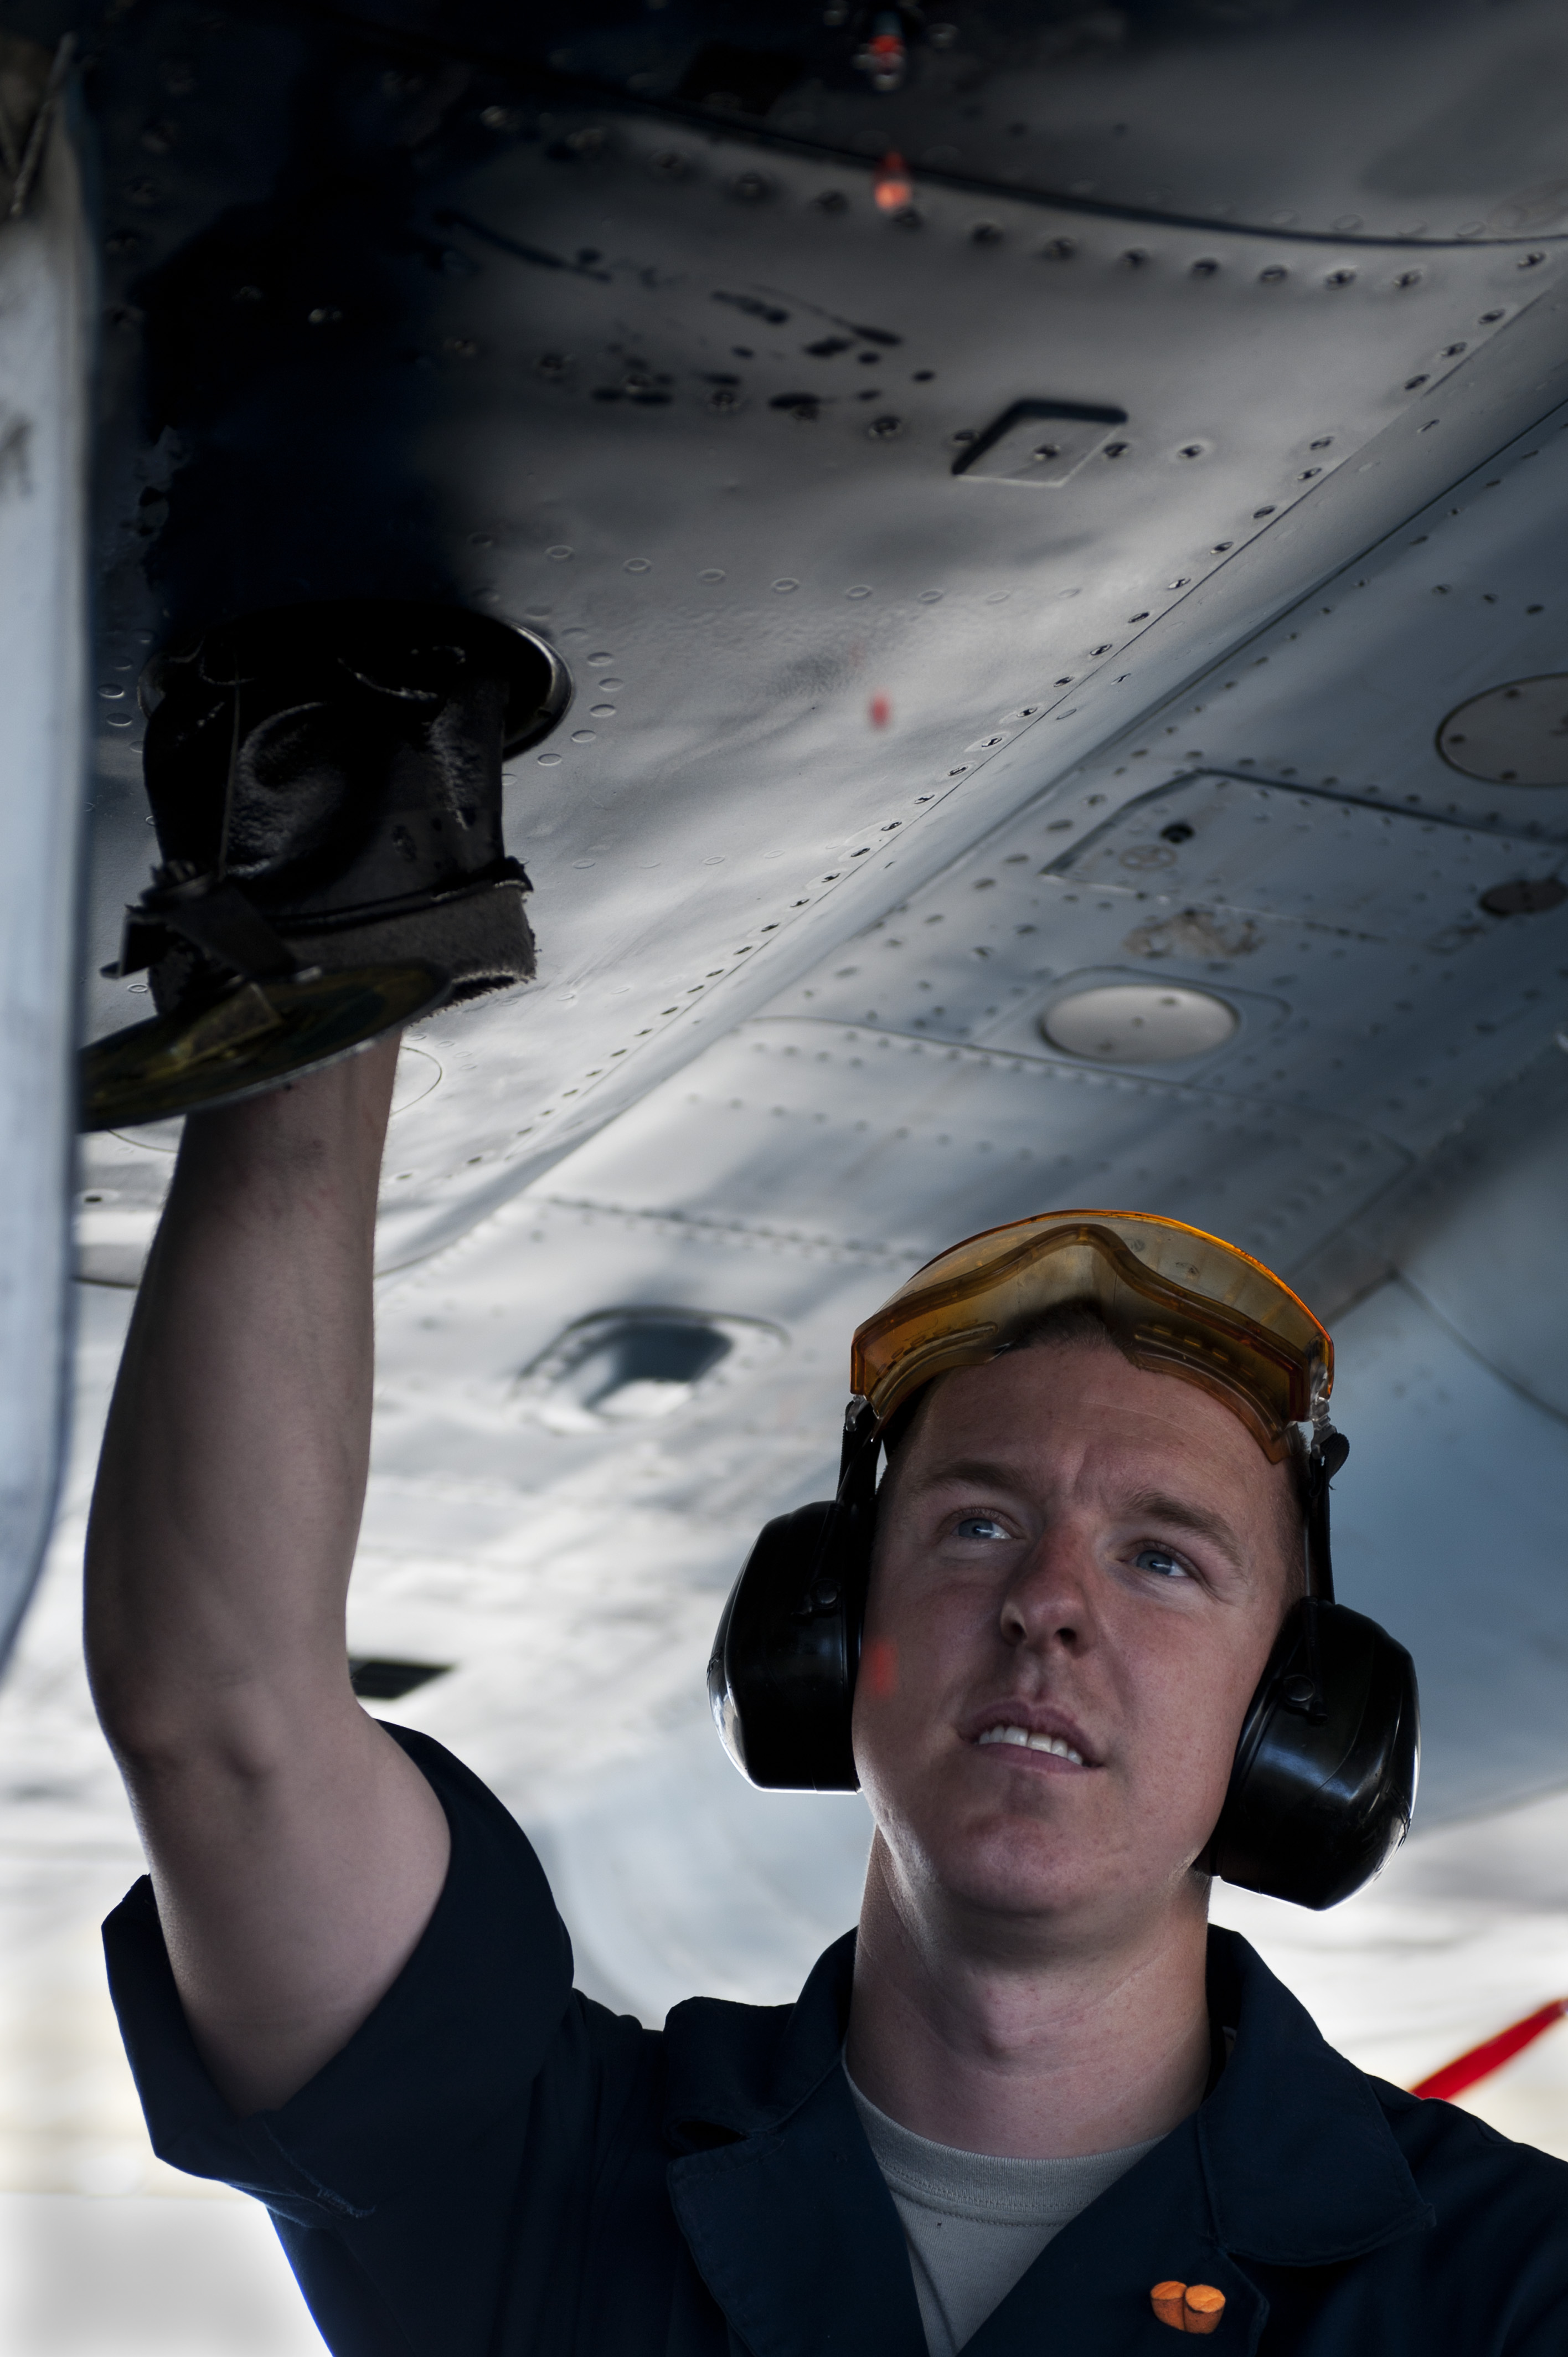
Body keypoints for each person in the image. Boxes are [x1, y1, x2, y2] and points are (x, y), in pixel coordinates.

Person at [86, 1042, 1567, 2356]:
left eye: (1164, 1561)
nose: (1048, 1601)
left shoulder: (1505, 2286)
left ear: (1297, 1711)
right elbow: (224, 1723)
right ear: (831, 1633)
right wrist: (326, 1010)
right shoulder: (552, 2181)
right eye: (975, 1525)